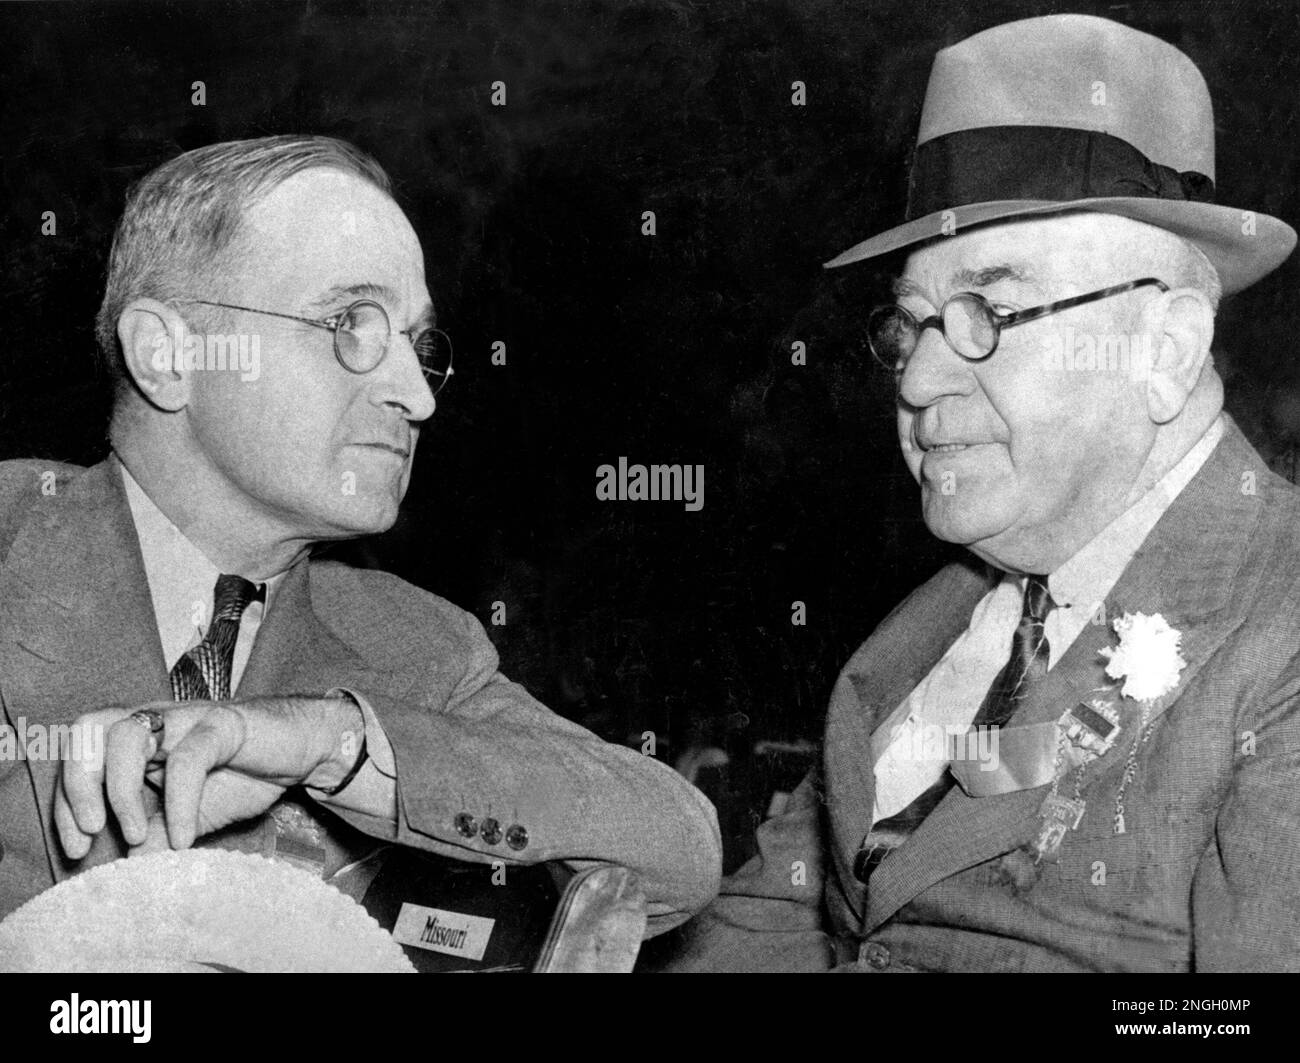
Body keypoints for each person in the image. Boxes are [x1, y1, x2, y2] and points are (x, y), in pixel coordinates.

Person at [664, 14, 1300, 972]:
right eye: (908, 325)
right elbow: (767, 929)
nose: (916, 382)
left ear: (1162, 349)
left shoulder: (1278, 624)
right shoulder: (938, 623)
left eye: (989, 314)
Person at [0, 135, 721, 940]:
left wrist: (332, 740)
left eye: (418, 345)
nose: (417, 395)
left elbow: (678, 846)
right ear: (167, 355)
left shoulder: (415, 646)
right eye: (348, 322)